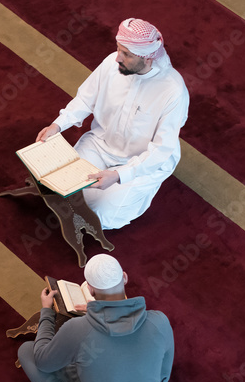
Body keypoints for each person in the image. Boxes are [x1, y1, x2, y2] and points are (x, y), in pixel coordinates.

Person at [36, 18, 189, 229]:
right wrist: (57, 125)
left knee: (97, 216)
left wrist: (119, 175)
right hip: (101, 144)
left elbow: (161, 149)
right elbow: (85, 99)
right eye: (118, 49)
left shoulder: (173, 91)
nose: (118, 57)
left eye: (126, 54)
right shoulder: (112, 64)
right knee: (61, 188)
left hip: (140, 161)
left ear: (147, 58)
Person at [17, 254, 174, 382]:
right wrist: (100, 314)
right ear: (124, 277)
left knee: (27, 350)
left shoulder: (77, 329)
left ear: (90, 290)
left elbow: (43, 362)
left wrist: (47, 311)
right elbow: (164, 372)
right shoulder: (159, 321)